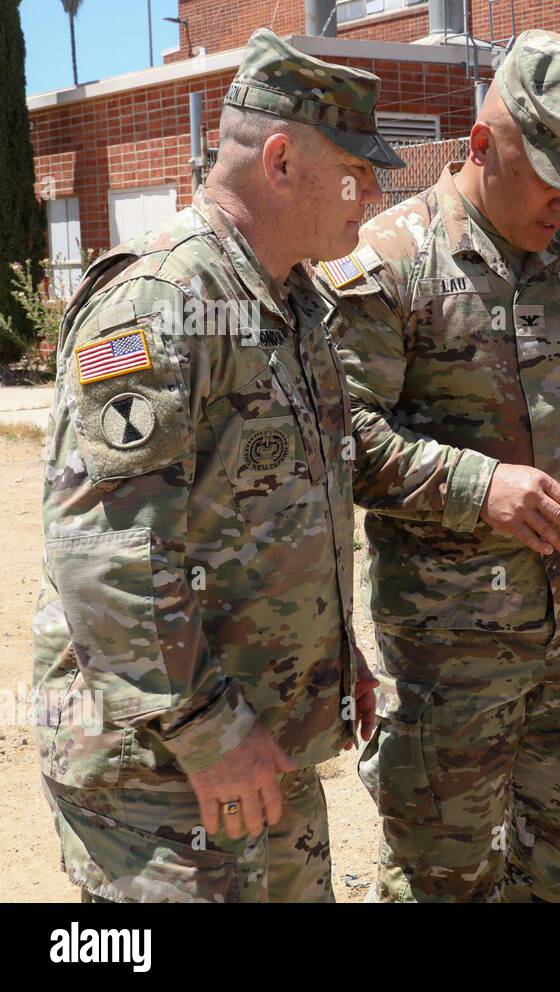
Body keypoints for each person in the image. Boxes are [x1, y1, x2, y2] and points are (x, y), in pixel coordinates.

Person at [322, 29, 560, 903]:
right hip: (451, 653)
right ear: (482, 146)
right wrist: (475, 486)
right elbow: (338, 441)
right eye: (549, 179)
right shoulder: (388, 267)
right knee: (443, 876)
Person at [33, 29, 399, 902]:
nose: (375, 193)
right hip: (161, 767)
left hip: (265, 736)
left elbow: (285, 503)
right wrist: (207, 732)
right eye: (358, 169)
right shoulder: (158, 305)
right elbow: (108, 558)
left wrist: (328, 652)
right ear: (281, 162)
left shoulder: (294, 300)